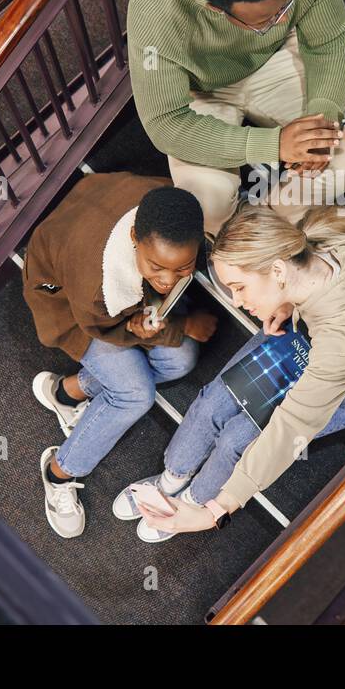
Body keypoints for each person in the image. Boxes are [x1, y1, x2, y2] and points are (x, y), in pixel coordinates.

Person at [114, 202, 345, 543]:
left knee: (241, 437)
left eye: (239, 286)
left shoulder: (344, 344)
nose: (235, 301)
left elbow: (291, 426)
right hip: (314, 325)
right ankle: (169, 482)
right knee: (213, 401)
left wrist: (211, 513)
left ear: (277, 271)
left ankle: (192, 500)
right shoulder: (313, 248)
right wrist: (290, 303)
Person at [127, 0, 345, 238]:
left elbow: (329, 42)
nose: (282, 16)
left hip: (275, 57)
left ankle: (260, 230)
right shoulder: (153, 13)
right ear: (216, 10)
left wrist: (321, 116)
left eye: (286, 7)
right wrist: (274, 146)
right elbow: (166, 124)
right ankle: (228, 241)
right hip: (200, 91)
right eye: (268, 18)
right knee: (206, 206)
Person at [23, 171, 218, 538]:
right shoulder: (97, 289)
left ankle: (68, 393)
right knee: (134, 395)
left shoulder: (164, 204)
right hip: (69, 306)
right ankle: (59, 470)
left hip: (107, 275)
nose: (167, 281)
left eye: (183, 269)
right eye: (157, 268)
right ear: (134, 238)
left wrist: (164, 320)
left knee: (180, 359)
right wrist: (164, 325)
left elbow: (156, 287)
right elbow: (104, 327)